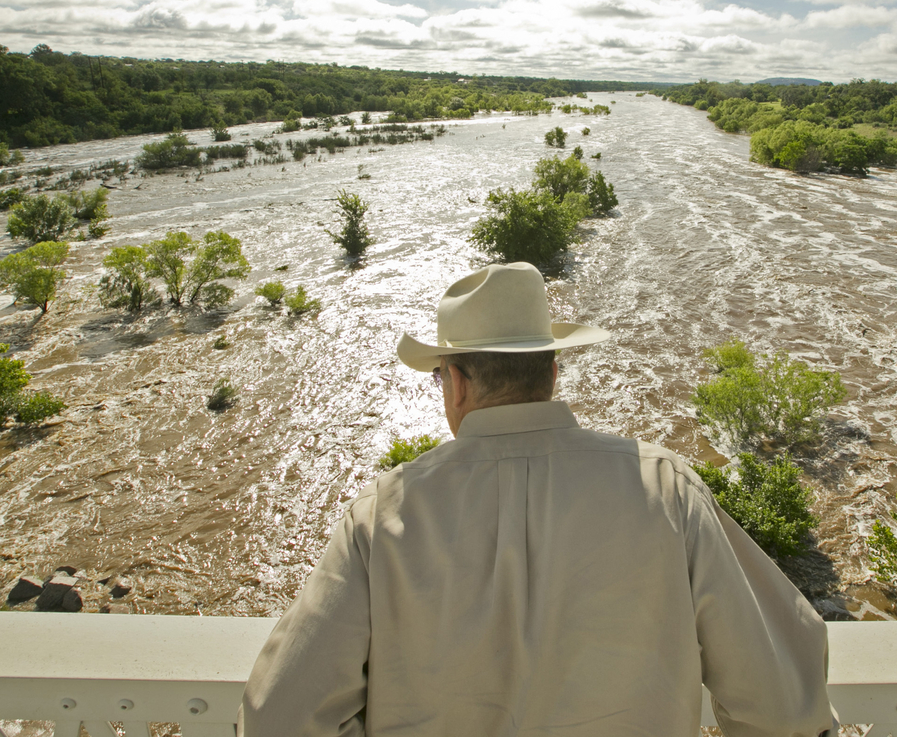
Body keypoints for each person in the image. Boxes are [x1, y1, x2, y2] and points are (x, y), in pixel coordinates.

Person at [240, 262, 834, 737]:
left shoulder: (383, 514)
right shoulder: (666, 489)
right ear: (552, 373)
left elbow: (279, 719)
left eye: (440, 379)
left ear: (458, 383)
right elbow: (780, 710)